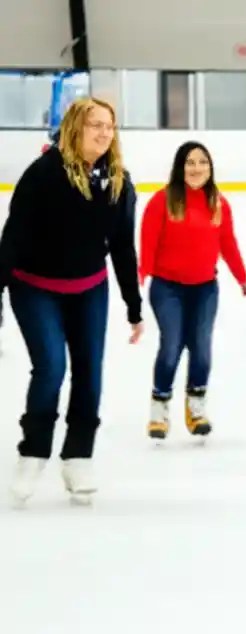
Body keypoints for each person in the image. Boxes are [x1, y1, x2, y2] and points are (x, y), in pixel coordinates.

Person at [0, 97, 144, 507]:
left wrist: (133, 305)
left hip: (88, 288)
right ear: (75, 128)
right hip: (34, 286)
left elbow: (121, 247)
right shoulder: (43, 174)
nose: (103, 133)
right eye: (94, 125)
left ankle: (78, 456)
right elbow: (12, 238)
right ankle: (33, 453)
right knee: (51, 368)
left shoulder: (118, 180)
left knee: (88, 372)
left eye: (109, 126)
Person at [139, 141, 246, 440]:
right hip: (167, 288)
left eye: (202, 162)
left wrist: (241, 277)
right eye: (190, 162)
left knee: (201, 346)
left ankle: (196, 407)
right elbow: (148, 239)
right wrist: (142, 274)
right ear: (180, 167)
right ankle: (159, 408)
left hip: (205, 289)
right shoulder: (162, 200)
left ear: (210, 168)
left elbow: (227, 243)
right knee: (172, 344)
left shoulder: (218, 202)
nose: (197, 168)